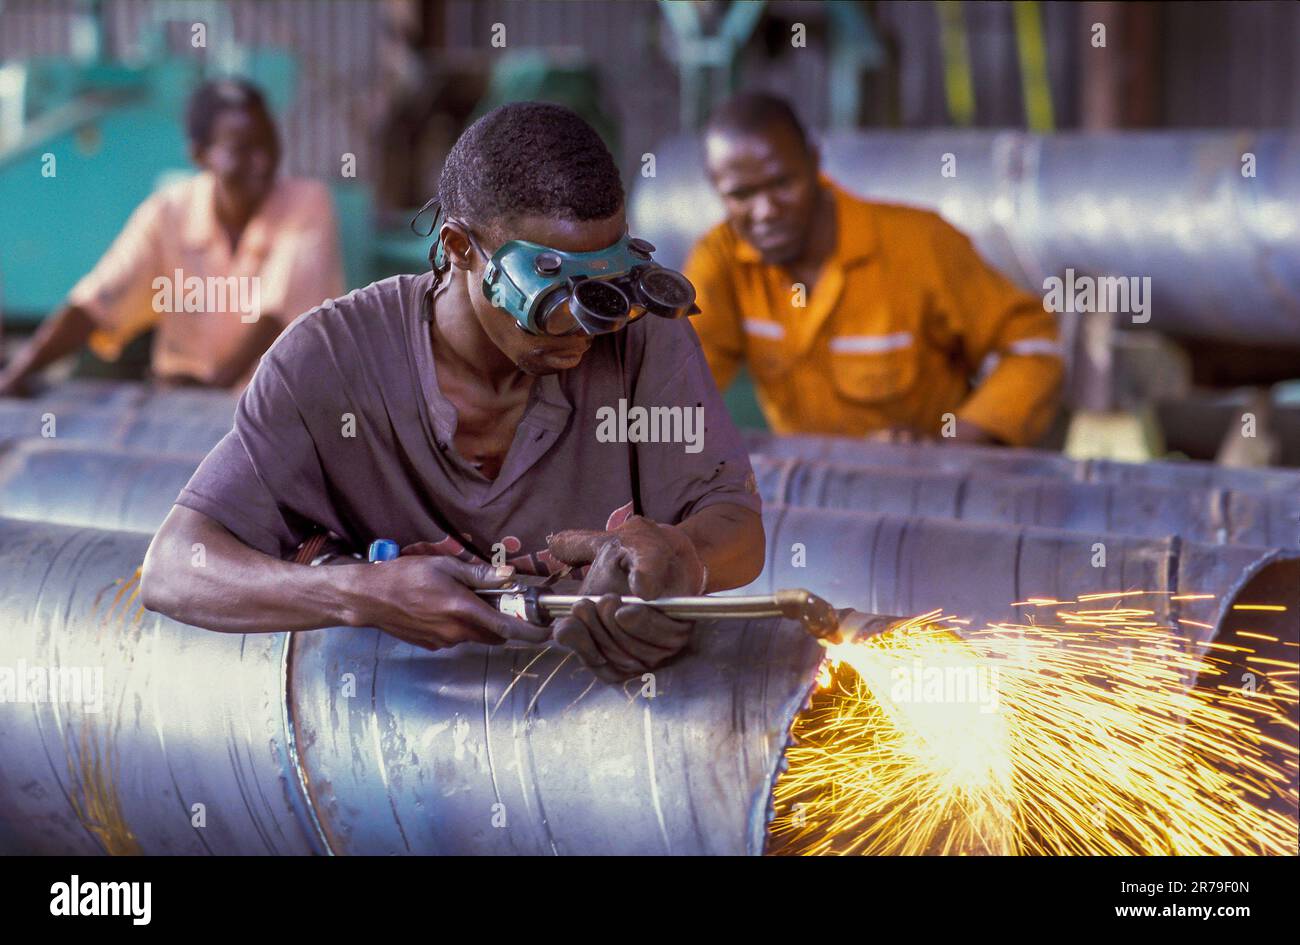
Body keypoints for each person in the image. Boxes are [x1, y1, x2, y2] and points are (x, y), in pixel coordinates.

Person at [140, 102, 765, 683]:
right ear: (461, 248)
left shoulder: (644, 339)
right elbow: (175, 568)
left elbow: (736, 525)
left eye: (602, 295)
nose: (584, 330)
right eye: (552, 301)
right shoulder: (331, 360)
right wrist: (365, 594)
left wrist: (680, 556)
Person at [684, 92, 1064, 446]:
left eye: (783, 183)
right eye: (741, 194)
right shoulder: (721, 262)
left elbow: (1032, 345)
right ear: (717, 190)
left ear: (815, 162)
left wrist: (952, 448)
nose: (765, 210)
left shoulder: (919, 245)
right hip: (812, 493)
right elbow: (676, 382)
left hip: (927, 494)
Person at [0, 79, 343, 395]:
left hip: (274, 405)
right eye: (243, 149)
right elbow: (99, 299)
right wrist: (19, 372)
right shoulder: (169, 211)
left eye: (269, 143)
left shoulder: (308, 202)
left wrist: (213, 390)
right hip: (184, 401)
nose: (263, 162)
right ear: (200, 155)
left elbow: (278, 312)